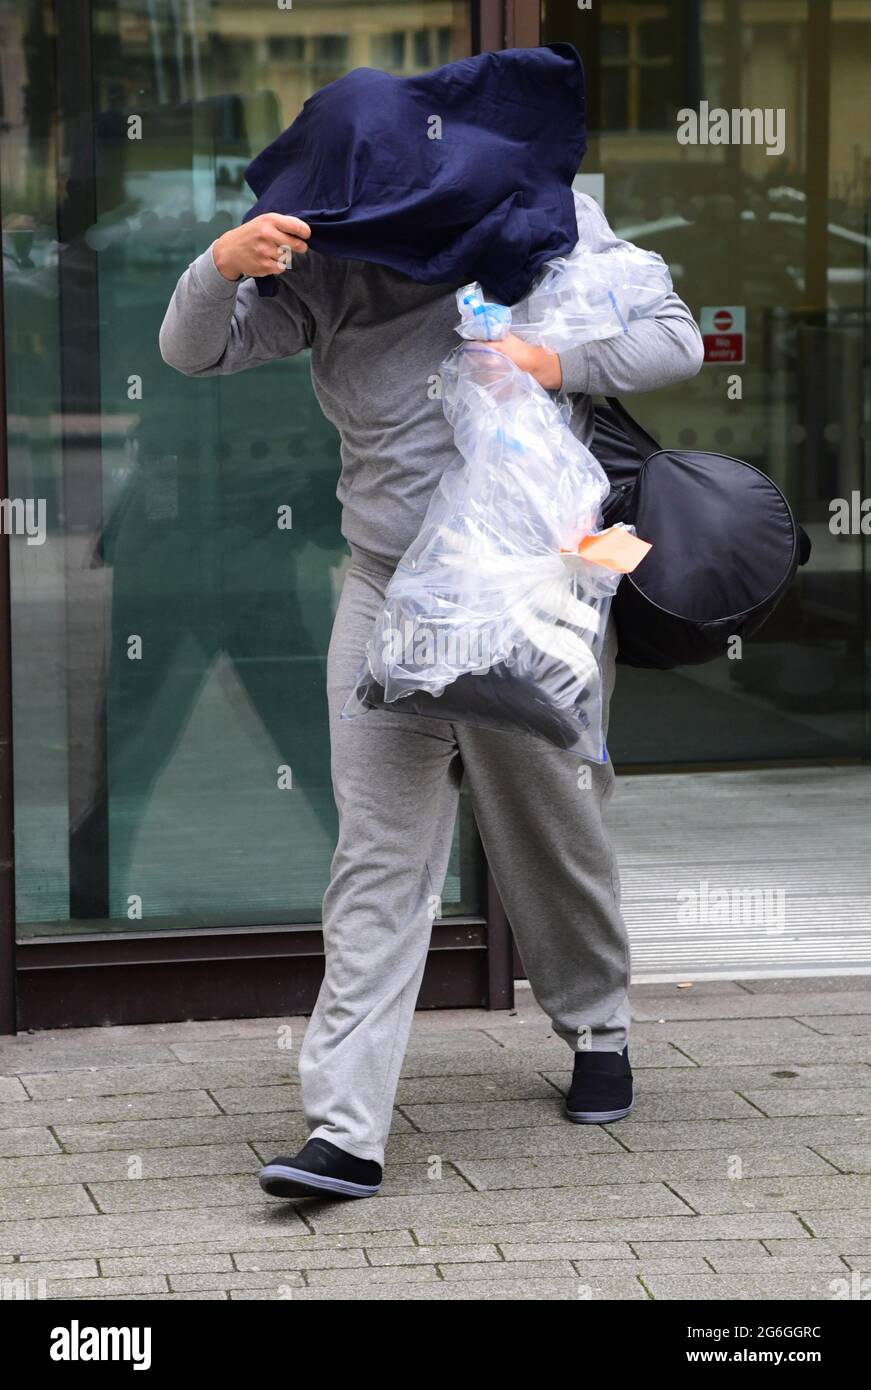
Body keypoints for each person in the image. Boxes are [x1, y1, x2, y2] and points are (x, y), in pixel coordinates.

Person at [159, 56, 704, 1203]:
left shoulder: (544, 215)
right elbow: (192, 350)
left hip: (529, 591)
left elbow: (673, 336)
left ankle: (596, 1027)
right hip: (385, 592)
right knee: (377, 852)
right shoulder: (329, 262)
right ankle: (344, 1131)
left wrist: (555, 358)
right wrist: (220, 264)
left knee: (551, 821)